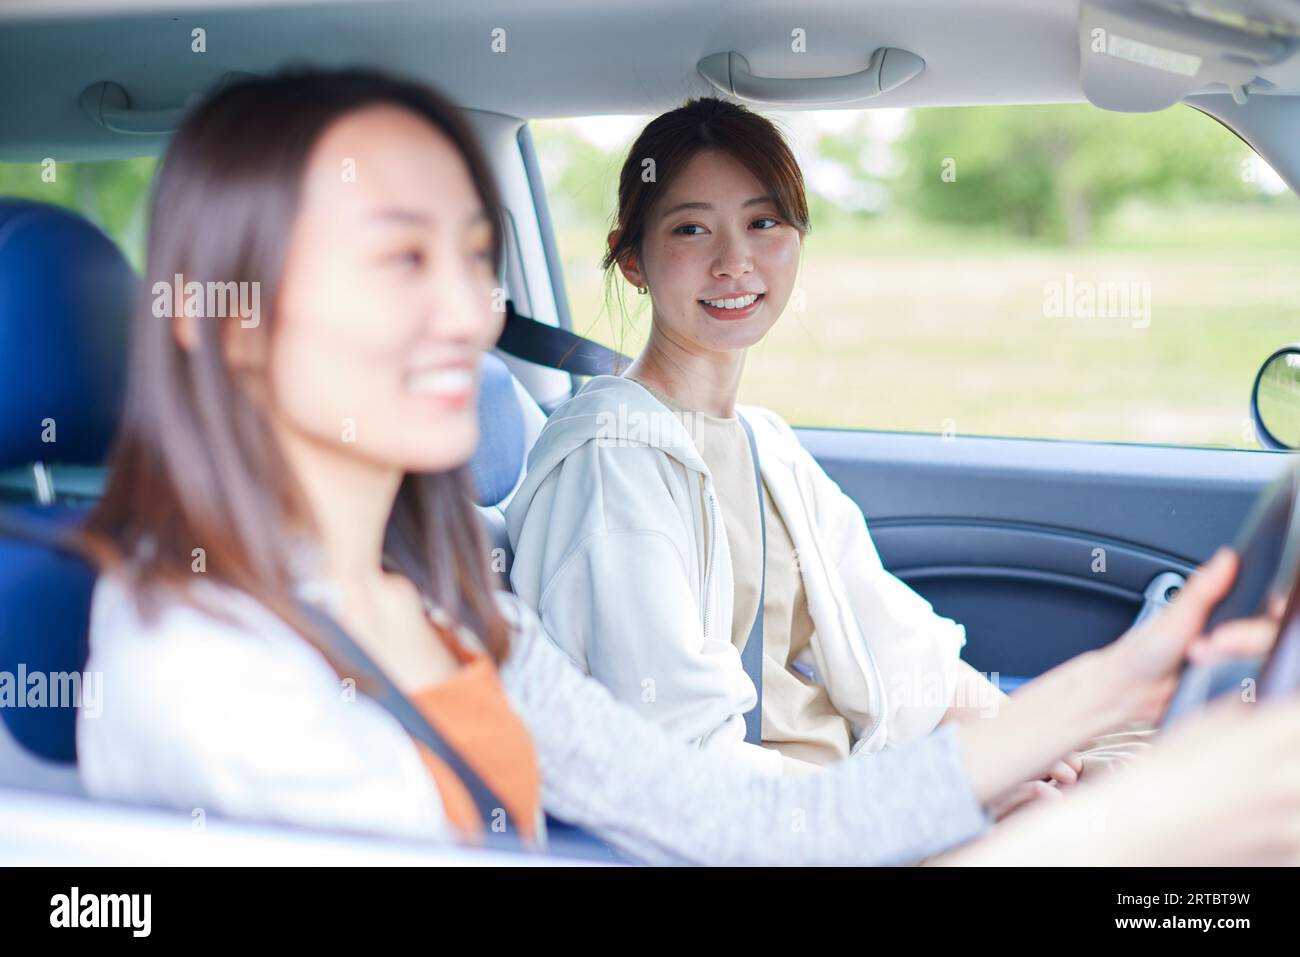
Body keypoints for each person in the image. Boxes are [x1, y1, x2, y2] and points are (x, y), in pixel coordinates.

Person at [76, 69, 1300, 865]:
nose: (464, 310)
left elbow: (720, 820)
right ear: (232, 318)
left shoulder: (454, 611)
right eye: (400, 262)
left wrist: (1112, 689)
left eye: (471, 257)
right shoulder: (206, 682)